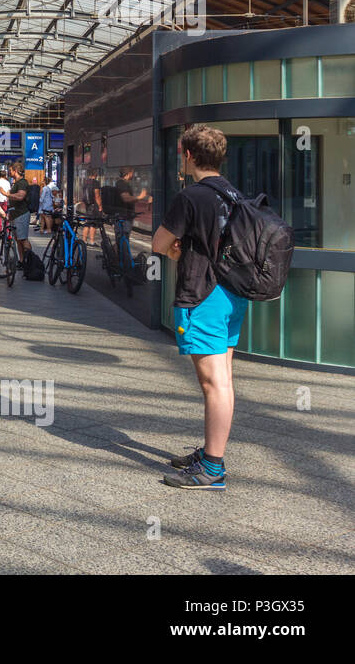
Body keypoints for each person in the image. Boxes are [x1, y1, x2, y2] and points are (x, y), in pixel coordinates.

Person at [152, 124, 247, 490]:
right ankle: (211, 450)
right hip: (231, 295)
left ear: (188, 155)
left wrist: (176, 250)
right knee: (222, 378)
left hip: (203, 294)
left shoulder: (190, 196)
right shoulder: (234, 194)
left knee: (214, 383)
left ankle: (213, 467)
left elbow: (161, 243)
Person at [5, 162, 33, 263]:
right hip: (15, 215)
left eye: (10, 170)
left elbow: (21, 196)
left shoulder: (22, 183)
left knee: (23, 239)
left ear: (15, 171)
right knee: (18, 239)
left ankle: (31, 261)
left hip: (21, 214)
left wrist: (6, 194)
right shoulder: (16, 182)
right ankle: (22, 261)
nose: (9, 172)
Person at [81, 166, 103, 245]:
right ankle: (92, 241)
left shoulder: (85, 182)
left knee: (87, 222)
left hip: (88, 205)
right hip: (94, 205)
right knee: (93, 223)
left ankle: (84, 239)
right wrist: (100, 206)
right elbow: (97, 195)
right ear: (95, 174)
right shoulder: (95, 183)